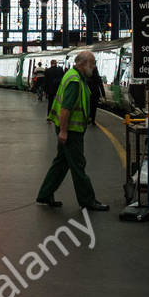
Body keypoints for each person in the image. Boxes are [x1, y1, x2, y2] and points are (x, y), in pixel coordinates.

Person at [35, 51, 109, 212]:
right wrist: (63, 131)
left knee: (61, 163)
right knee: (78, 165)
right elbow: (66, 108)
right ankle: (87, 200)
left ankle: (45, 194)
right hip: (71, 130)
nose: (94, 67)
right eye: (93, 64)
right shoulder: (75, 80)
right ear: (83, 64)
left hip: (71, 129)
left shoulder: (75, 76)